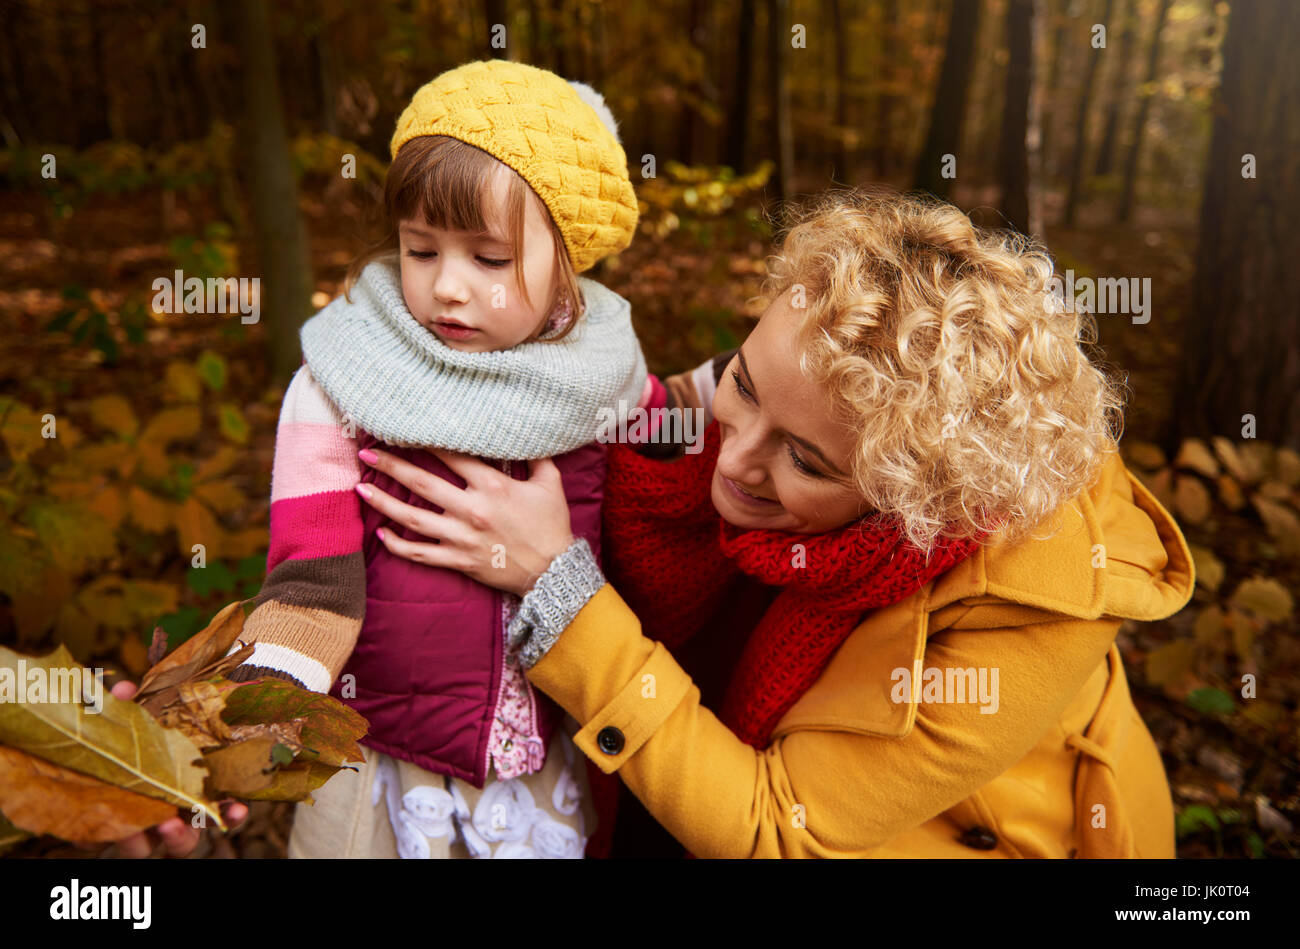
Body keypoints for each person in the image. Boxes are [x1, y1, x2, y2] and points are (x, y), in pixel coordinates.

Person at [353, 189, 1197, 858]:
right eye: (745, 385)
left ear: (918, 496)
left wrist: (562, 594)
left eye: (806, 460)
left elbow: (777, 827)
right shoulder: (808, 379)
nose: (732, 457)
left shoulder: (1031, 613)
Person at [218, 60, 649, 859]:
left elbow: (675, 513)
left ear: (569, 259)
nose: (448, 287)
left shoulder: (610, 384)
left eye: (489, 260)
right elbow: (313, 580)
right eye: (420, 250)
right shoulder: (345, 381)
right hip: (381, 763)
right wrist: (266, 693)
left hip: (541, 761)